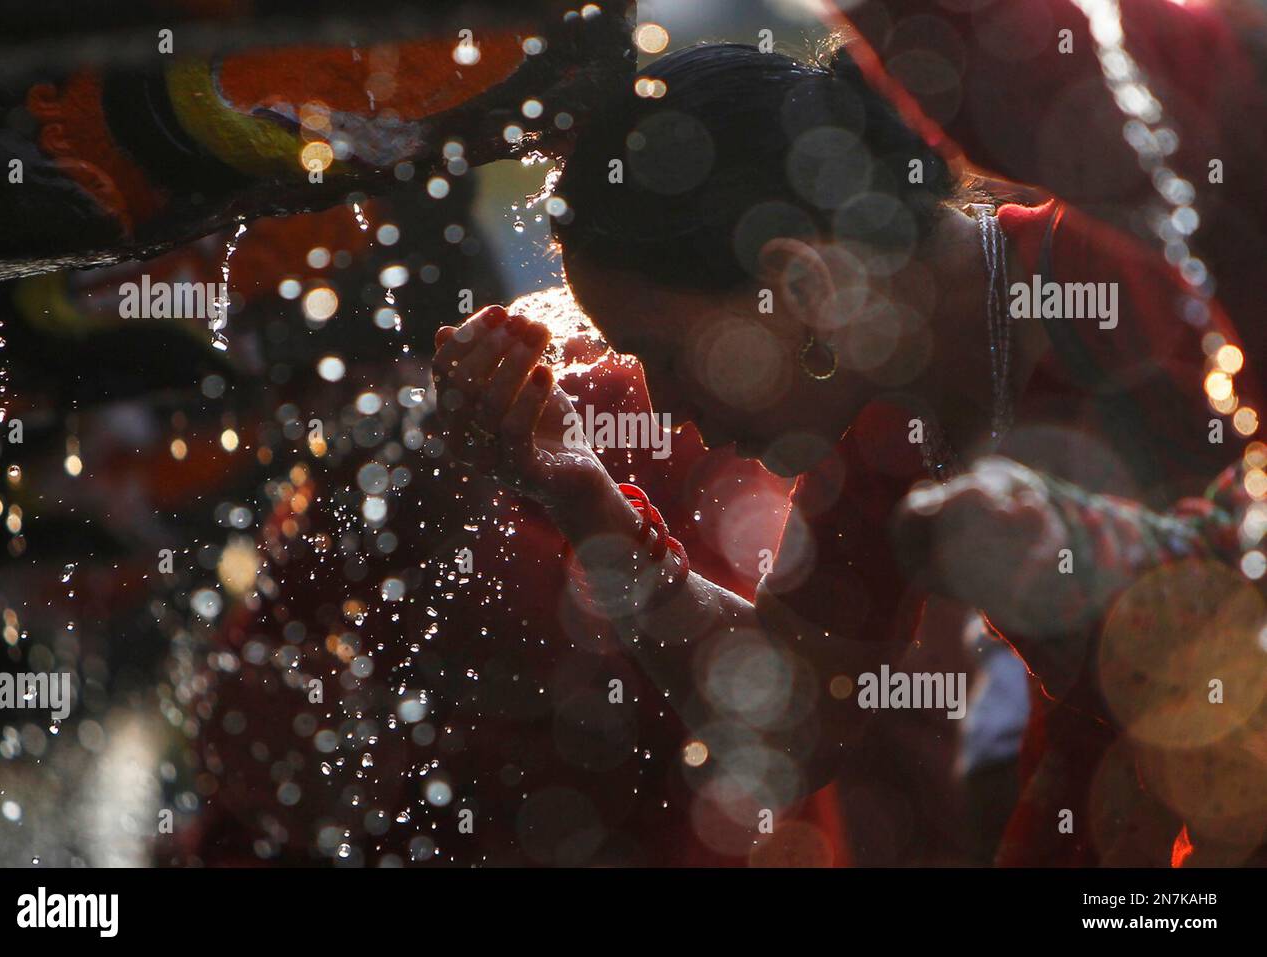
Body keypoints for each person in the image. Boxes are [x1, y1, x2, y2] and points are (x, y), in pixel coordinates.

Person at [430, 43, 1250, 864]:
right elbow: (789, 729)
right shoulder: (887, 424)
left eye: (666, 357)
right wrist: (581, 492)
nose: (666, 410)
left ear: (801, 284)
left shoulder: (1125, 272)